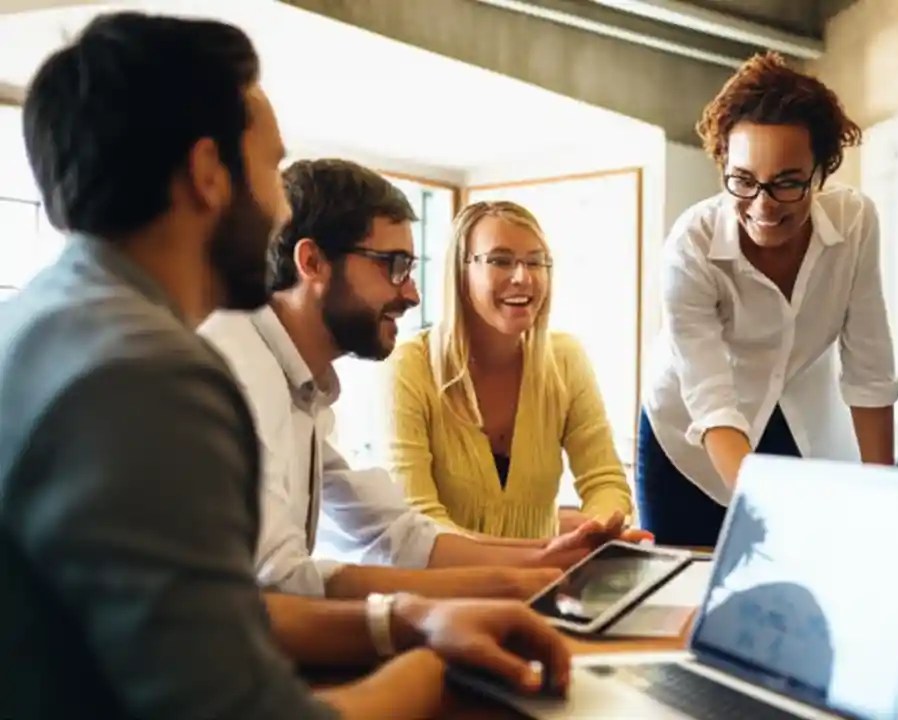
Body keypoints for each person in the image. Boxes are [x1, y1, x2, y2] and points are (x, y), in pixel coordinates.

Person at [0, 13, 569, 719]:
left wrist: (409, 621)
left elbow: (214, 613)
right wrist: (433, 667)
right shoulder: (150, 375)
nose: (280, 204)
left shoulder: (49, 323)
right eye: (271, 168)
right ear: (209, 174)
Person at [201, 160, 644, 601]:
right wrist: (502, 586)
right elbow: (276, 581)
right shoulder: (236, 374)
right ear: (312, 262)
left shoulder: (302, 390)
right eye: (393, 266)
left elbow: (399, 532)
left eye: (536, 261)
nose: (411, 293)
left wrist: (554, 557)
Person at [638, 51, 898, 546]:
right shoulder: (691, 247)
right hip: (690, 439)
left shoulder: (855, 224)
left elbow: (870, 372)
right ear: (724, 165)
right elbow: (712, 405)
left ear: (820, 172)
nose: (762, 206)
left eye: (787, 183)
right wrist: (763, 517)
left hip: (797, 423)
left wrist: (882, 499)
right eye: (743, 180)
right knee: (686, 585)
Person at [385, 199, 636, 538]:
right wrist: (536, 558)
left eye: (536, 262)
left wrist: (598, 529)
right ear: (461, 272)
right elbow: (420, 522)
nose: (523, 277)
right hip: (443, 586)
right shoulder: (410, 366)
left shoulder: (566, 359)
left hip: (542, 580)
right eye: (500, 261)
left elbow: (605, 481)